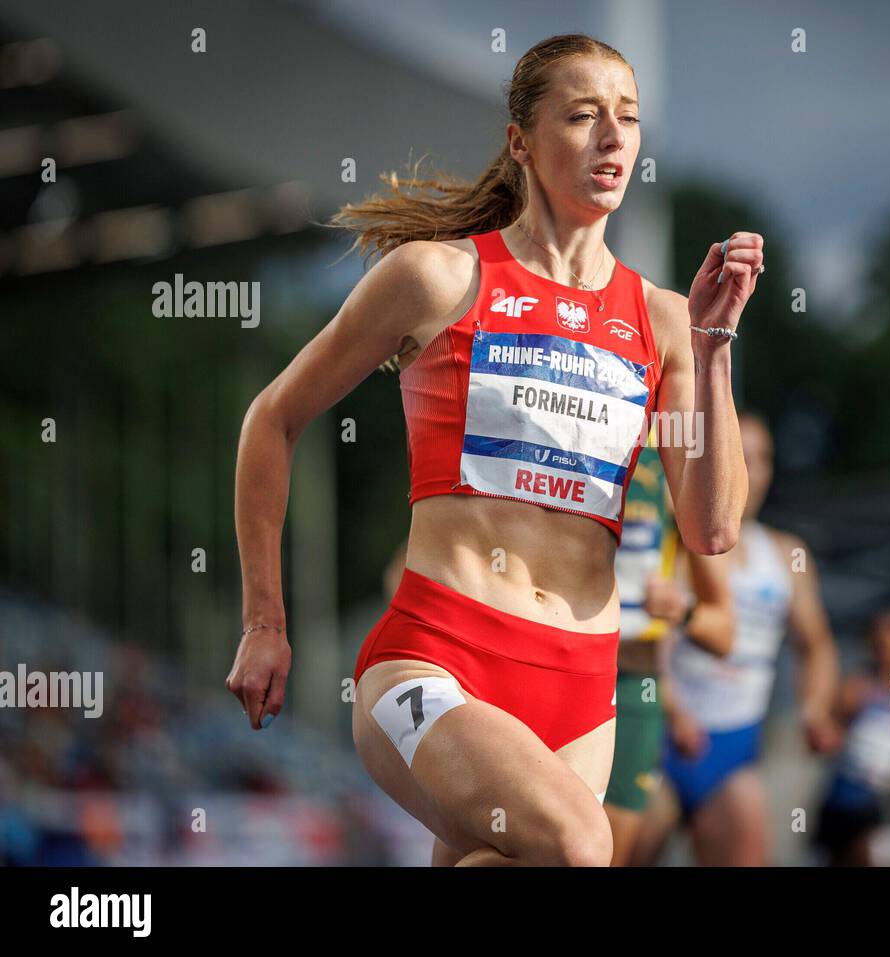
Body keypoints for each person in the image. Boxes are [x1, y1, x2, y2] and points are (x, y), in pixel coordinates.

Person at [225, 33, 762, 866]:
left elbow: (713, 529)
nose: (613, 138)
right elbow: (274, 418)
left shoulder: (663, 322)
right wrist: (265, 619)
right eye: (583, 117)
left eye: (628, 118)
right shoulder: (438, 279)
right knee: (583, 846)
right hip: (433, 663)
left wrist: (714, 340)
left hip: (583, 692)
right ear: (521, 142)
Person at [632, 411, 839, 866]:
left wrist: (814, 709)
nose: (753, 470)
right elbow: (645, 635)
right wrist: (672, 707)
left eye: (762, 458)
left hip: (734, 751)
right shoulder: (682, 540)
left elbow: (818, 645)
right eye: (739, 456)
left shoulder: (788, 555)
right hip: (664, 740)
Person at [604, 436, 733, 865]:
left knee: (603, 856)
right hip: (551, 670)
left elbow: (723, 630)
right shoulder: (570, 426)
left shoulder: (674, 466)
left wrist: (683, 608)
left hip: (632, 689)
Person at [814, 610, 890, 866]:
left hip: (881, 808)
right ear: (873, 646)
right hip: (843, 803)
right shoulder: (855, 689)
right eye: (883, 647)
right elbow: (823, 738)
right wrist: (825, 735)